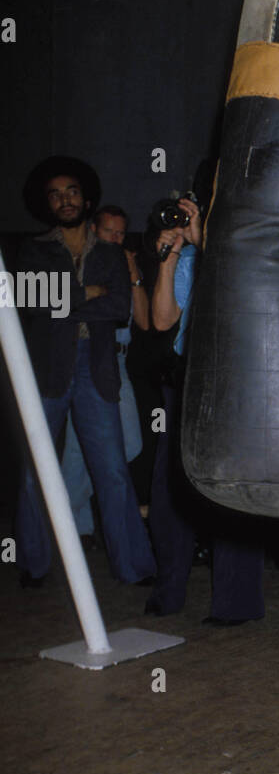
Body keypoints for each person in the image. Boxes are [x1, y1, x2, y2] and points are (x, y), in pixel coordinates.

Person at [14, 157, 155, 586]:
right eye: (55, 194)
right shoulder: (33, 249)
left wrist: (66, 298)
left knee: (112, 470)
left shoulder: (111, 253)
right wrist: (86, 292)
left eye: (71, 191)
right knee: (36, 470)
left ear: (86, 197)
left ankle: (134, 567)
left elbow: (117, 308)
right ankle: (34, 566)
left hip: (96, 368)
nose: (65, 199)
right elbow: (28, 299)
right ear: (48, 203)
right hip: (46, 370)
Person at [145, 195, 264, 625]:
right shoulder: (190, 257)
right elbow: (160, 321)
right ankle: (168, 590)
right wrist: (170, 256)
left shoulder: (242, 253)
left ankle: (237, 603)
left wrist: (207, 241)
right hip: (186, 381)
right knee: (167, 493)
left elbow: (235, 296)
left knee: (228, 493)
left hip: (233, 382)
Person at [60, 204, 146, 540]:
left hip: (118, 361)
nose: (115, 238)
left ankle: (67, 520)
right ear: (94, 230)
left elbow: (143, 321)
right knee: (78, 449)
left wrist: (134, 273)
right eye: (109, 231)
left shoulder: (124, 262)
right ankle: (70, 527)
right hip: (84, 358)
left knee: (125, 444)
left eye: (121, 232)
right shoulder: (83, 260)